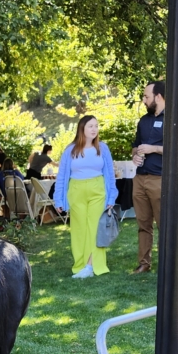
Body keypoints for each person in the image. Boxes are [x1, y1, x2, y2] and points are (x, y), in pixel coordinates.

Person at [55, 114, 117, 278]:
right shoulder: (70, 150)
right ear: (82, 129)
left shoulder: (103, 148)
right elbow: (61, 176)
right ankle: (80, 266)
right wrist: (58, 199)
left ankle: (91, 266)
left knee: (96, 228)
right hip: (76, 191)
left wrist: (111, 197)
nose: (94, 129)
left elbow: (110, 175)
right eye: (90, 126)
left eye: (96, 126)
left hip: (98, 190)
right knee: (79, 230)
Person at [131, 79, 165, 274]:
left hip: (159, 179)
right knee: (143, 224)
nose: (143, 100)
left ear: (158, 97)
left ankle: (167, 264)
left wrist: (154, 149)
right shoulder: (143, 121)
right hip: (140, 178)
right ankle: (144, 263)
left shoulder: (174, 119)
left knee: (163, 224)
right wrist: (135, 156)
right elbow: (135, 146)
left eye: (146, 96)